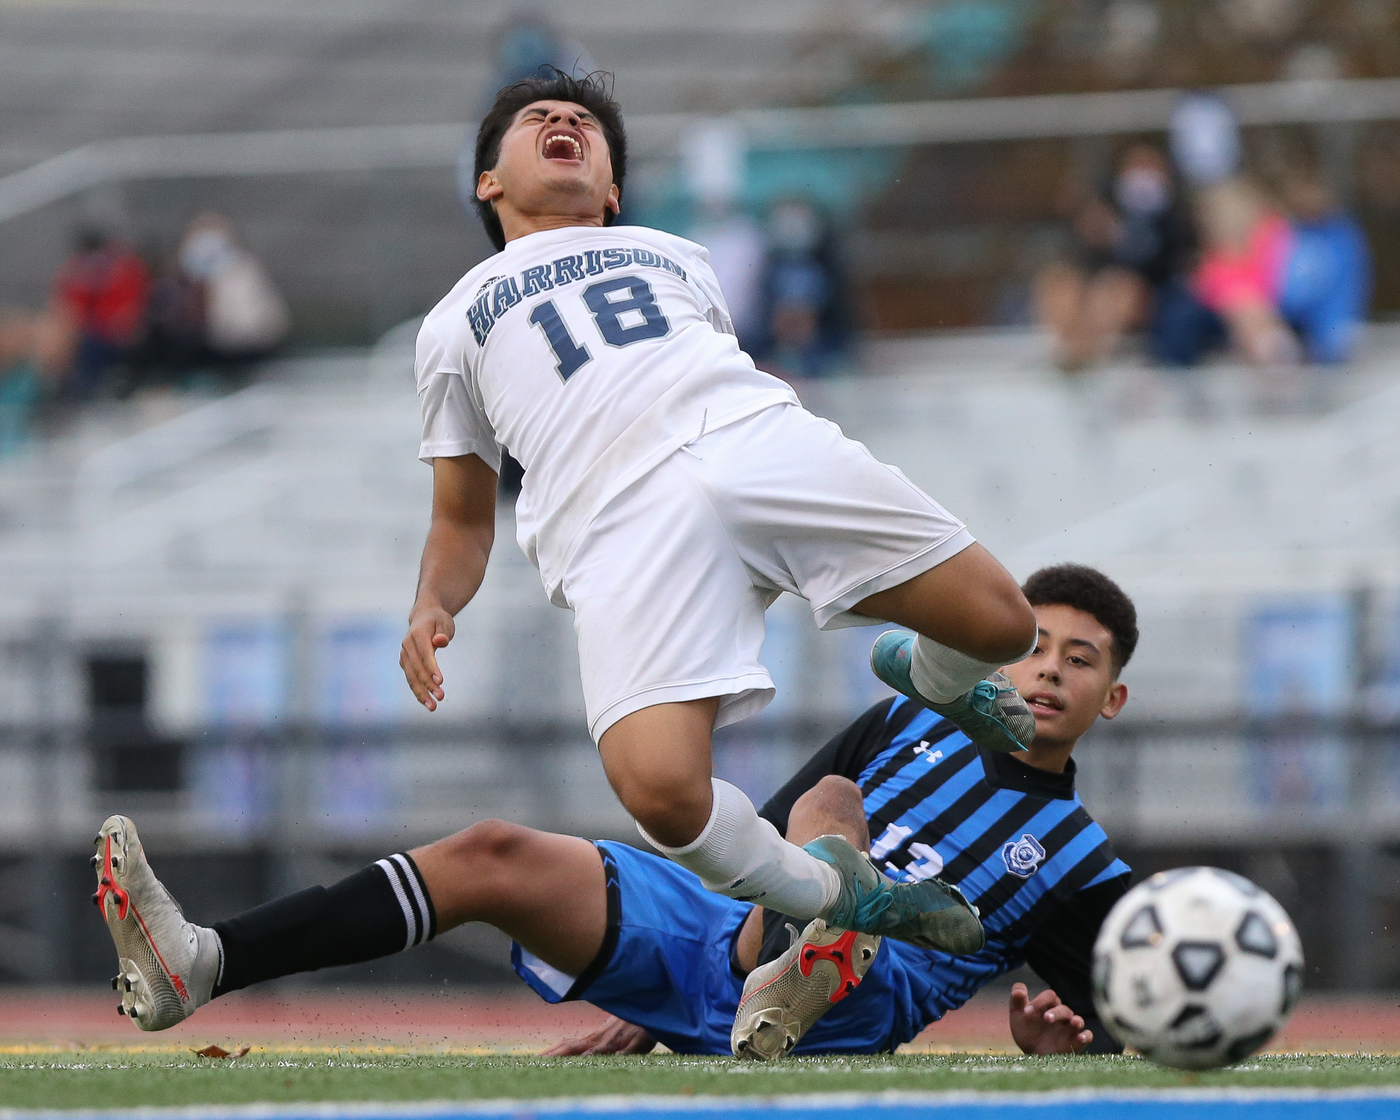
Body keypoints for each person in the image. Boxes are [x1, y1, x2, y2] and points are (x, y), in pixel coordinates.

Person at [401, 69, 1038, 956]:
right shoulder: (452, 324)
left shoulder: (676, 254)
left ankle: (931, 674)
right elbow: (464, 519)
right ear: (488, 182)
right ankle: (838, 889)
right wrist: (434, 602)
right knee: (661, 797)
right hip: (616, 520)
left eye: (584, 121)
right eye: (538, 116)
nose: (563, 121)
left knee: (1005, 626)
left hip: (748, 438)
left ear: (612, 190)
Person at [92, 565, 1135, 1059]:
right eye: (1033, 646)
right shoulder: (902, 718)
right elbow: (746, 856)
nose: (1048, 670)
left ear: (1112, 698)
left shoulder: (1083, 863)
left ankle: (822, 959)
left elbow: (1147, 1034)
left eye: (1079, 660)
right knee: (491, 852)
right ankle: (200, 961)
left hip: (868, 999)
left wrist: (1060, 1056)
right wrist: (653, 1002)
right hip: (729, 939)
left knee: (833, 802)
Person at [49, 228, 150, 400]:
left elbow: (134, 301)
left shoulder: (123, 268)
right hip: (91, 332)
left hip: (118, 330)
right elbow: (68, 307)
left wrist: (124, 322)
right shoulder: (75, 271)